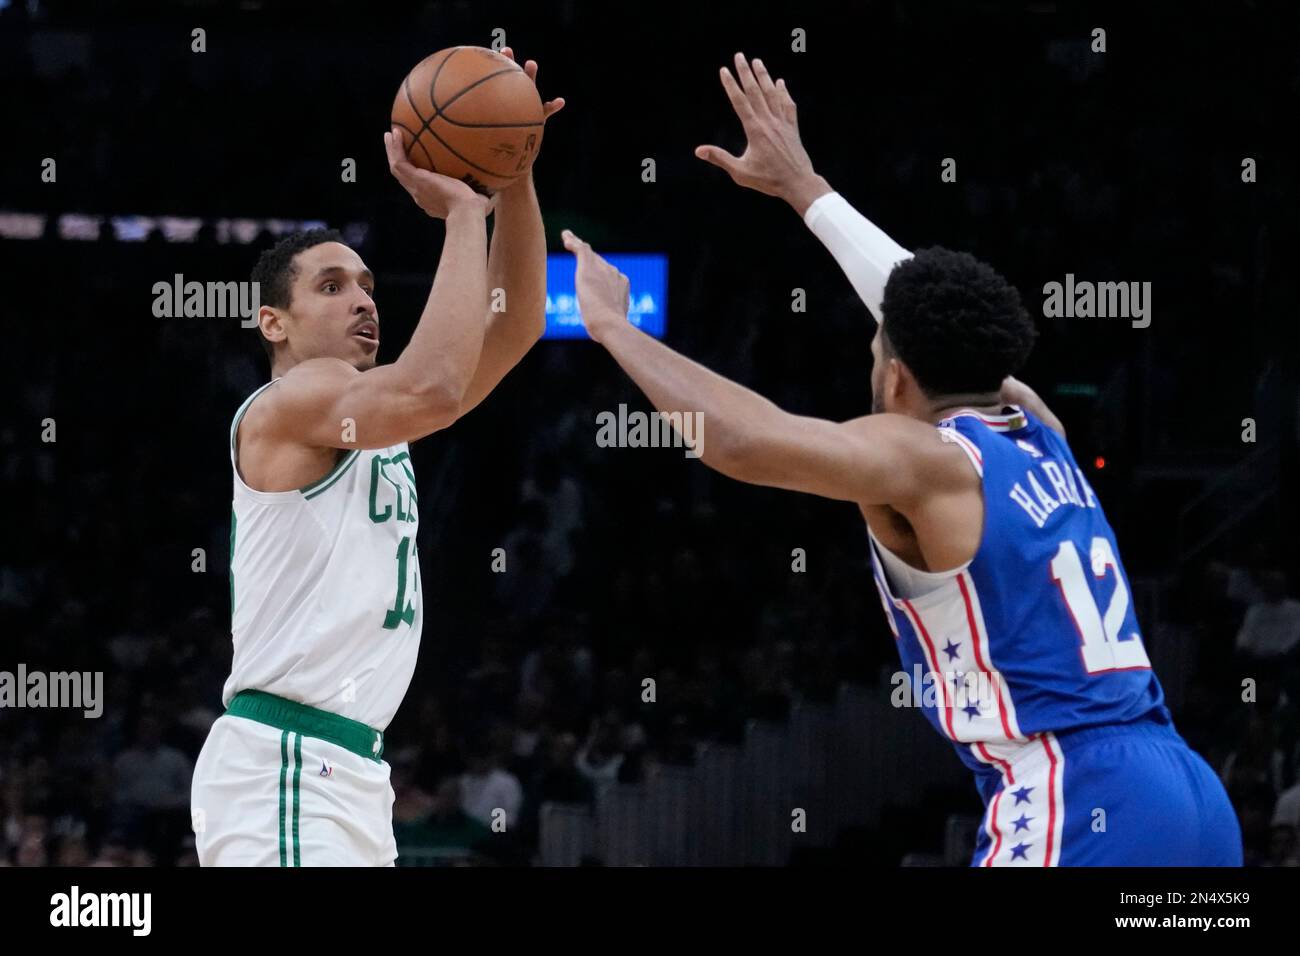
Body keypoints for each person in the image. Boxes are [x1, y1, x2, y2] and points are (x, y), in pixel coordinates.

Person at [560, 52, 1241, 866]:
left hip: (1072, 789)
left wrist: (613, 328)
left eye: (877, 342)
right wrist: (806, 192)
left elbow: (743, 439)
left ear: (897, 374)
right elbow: (930, 310)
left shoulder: (924, 457)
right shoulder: (1037, 425)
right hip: (1187, 788)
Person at [190, 51, 562, 867]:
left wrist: (516, 175)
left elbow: (518, 321)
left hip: (348, 770)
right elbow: (434, 386)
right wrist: (465, 217)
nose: (362, 298)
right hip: (284, 762)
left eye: (365, 283)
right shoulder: (288, 408)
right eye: (331, 287)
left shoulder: (374, 416)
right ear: (273, 324)